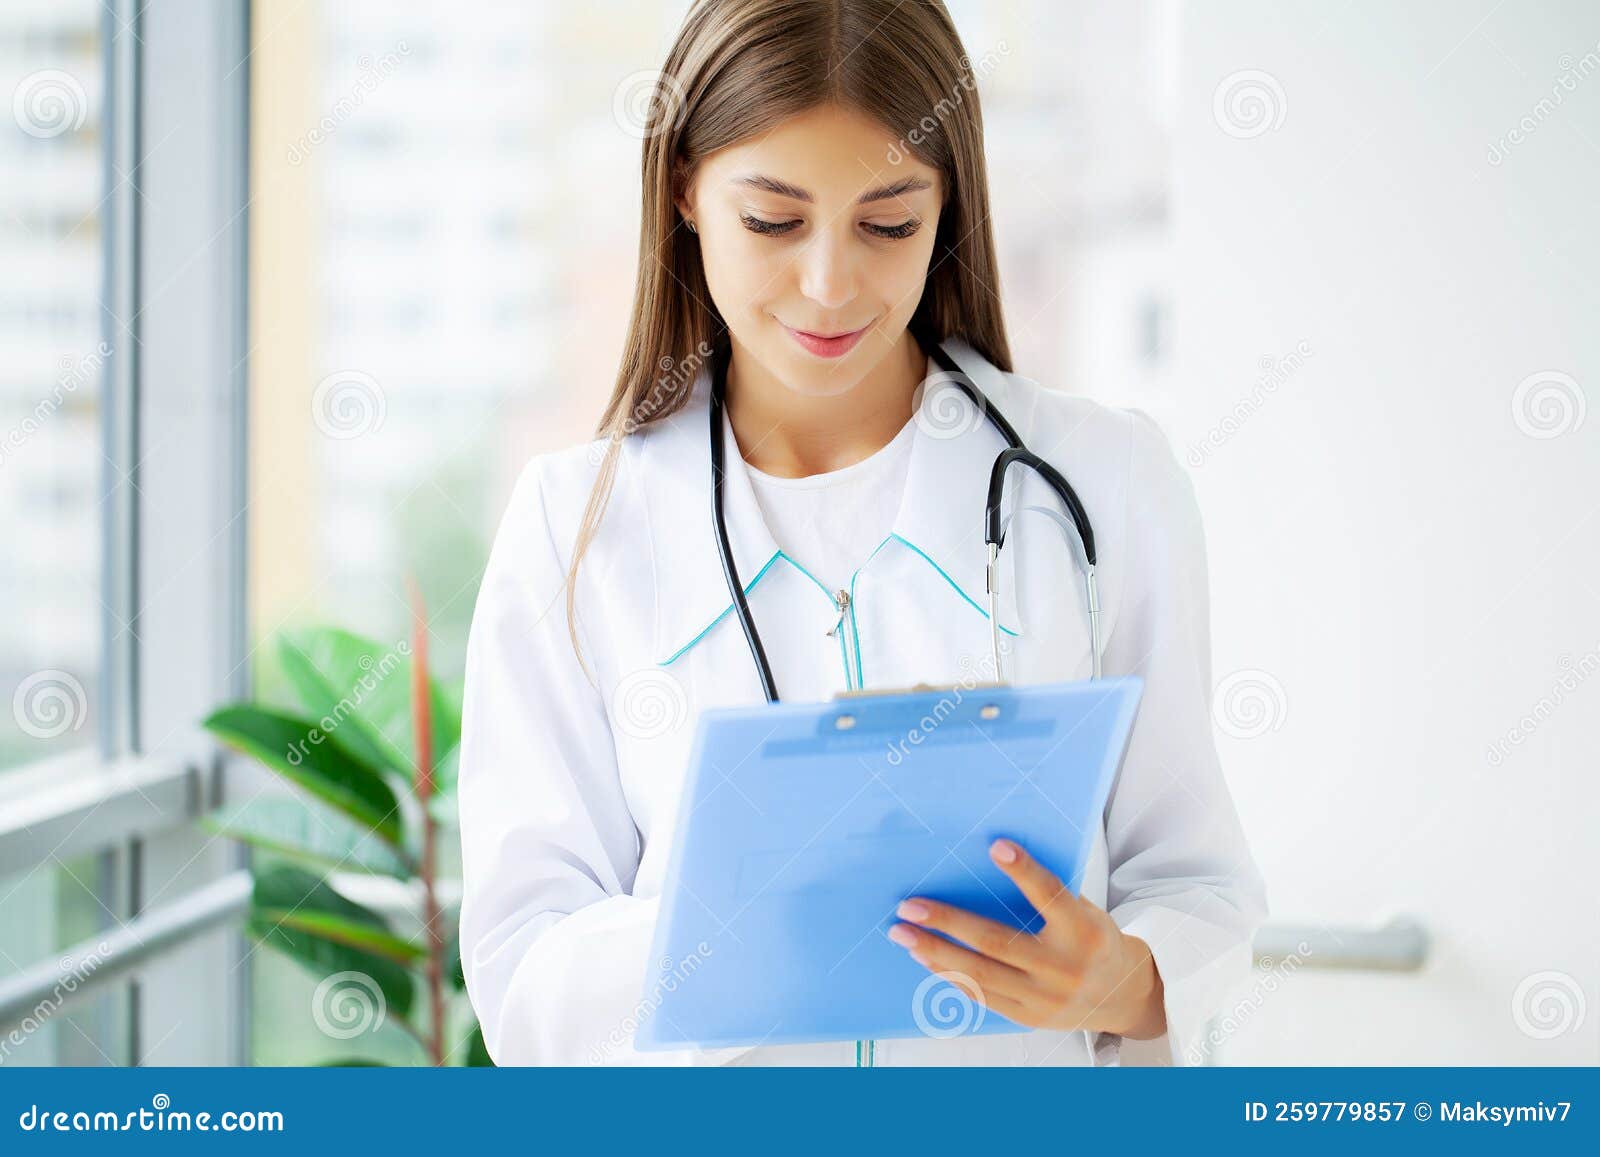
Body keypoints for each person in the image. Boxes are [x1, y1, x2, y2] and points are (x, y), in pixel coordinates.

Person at [458, 0, 1267, 1067]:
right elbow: (524, 971)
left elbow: (1197, 881)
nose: (831, 283)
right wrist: (749, 923)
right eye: (773, 221)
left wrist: (1128, 976)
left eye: (889, 222)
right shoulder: (577, 526)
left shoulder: (1105, 485)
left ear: (949, 210)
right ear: (686, 193)